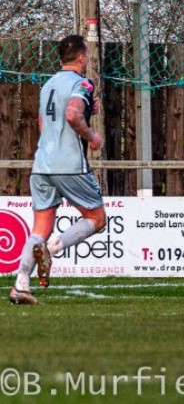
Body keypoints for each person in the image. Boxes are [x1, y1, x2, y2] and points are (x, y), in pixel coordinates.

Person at [9, 34, 106, 305]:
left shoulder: (47, 86)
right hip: (70, 164)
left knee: (40, 227)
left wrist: (88, 112)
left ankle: (21, 285)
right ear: (81, 57)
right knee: (97, 219)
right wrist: (91, 136)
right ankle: (51, 250)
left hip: (42, 164)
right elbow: (73, 114)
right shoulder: (83, 83)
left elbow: (45, 124)